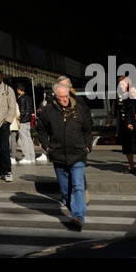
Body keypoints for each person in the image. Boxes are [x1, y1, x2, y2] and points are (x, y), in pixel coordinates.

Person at [36, 78, 92, 230]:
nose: (65, 100)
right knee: (65, 192)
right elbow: (40, 129)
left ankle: (78, 218)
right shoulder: (48, 111)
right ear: (55, 96)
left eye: (67, 96)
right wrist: (47, 147)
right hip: (58, 155)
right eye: (62, 98)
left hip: (78, 154)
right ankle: (74, 210)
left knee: (78, 186)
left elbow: (87, 129)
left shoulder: (78, 108)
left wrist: (87, 146)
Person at [14, 82, 36, 165]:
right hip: (28, 121)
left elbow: (22, 111)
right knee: (29, 138)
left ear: (19, 90)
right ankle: (32, 156)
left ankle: (27, 157)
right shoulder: (29, 98)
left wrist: (19, 118)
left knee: (24, 140)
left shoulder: (21, 98)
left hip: (23, 121)